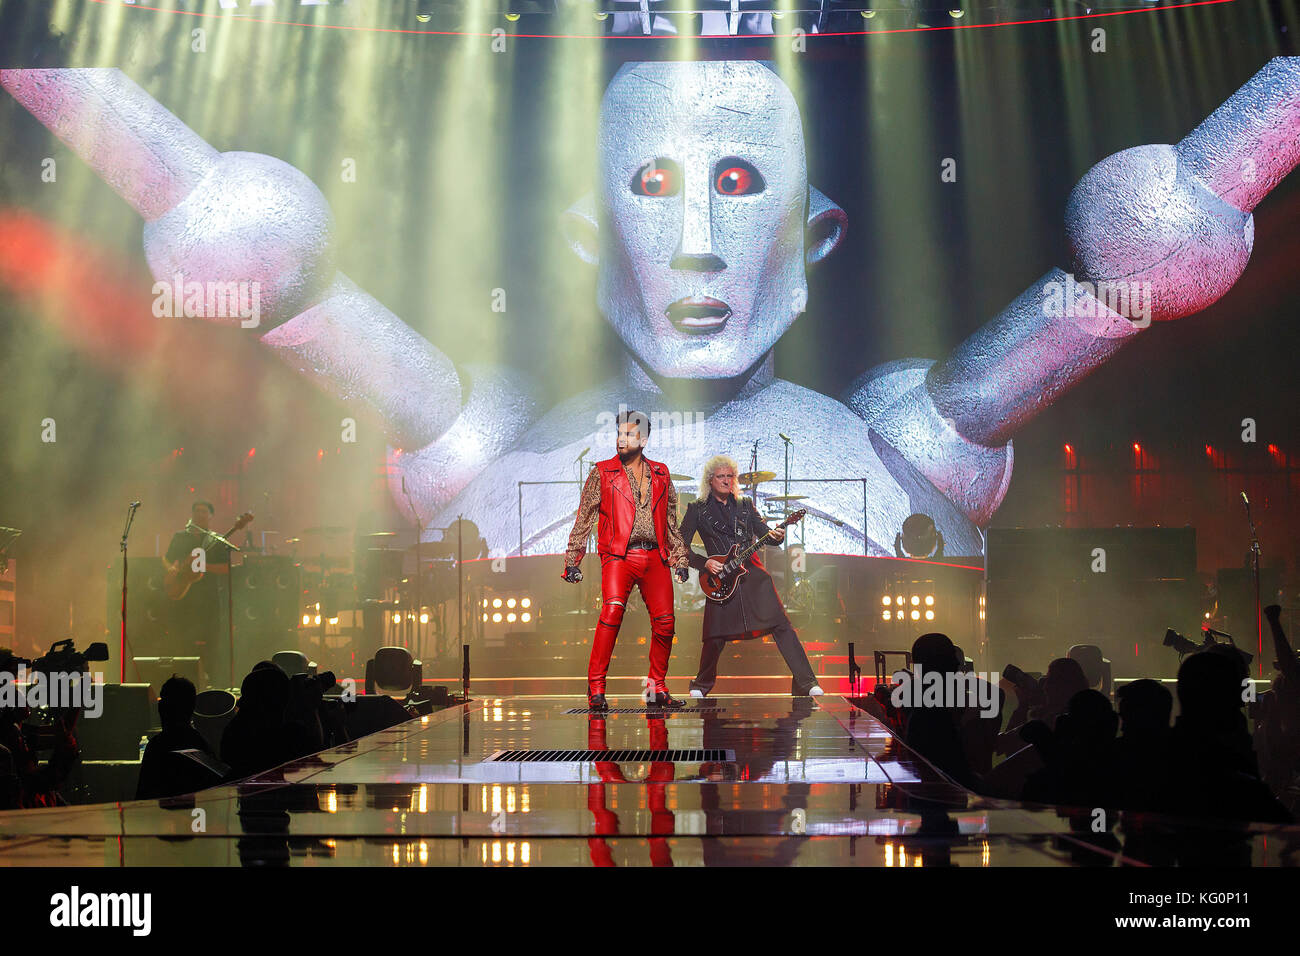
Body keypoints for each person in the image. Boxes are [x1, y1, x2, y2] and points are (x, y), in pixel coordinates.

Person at [562, 409, 690, 710]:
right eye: (619, 433)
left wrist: (681, 558)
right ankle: (596, 688)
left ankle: (656, 688)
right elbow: (584, 517)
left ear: (643, 440)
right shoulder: (603, 472)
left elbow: (671, 521)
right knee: (612, 611)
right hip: (619, 555)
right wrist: (573, 559)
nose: (621, 439)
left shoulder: (661, 473)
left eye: (629, 434)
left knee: (666, 622)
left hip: (655, 556)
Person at [677, 455, 822, 698]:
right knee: (715, 635)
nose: (726, 481)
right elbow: (680, 544)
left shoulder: (745, 505)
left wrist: (776, 535)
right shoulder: (697, 509)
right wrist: (704, 563)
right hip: (720, 577)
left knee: (781, 625)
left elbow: (765, 533)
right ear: (710, 480)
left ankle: (806, 682)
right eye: (721, 476)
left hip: (752, 574)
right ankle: (701, 685)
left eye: (730, 476)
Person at [164, 500, 241, 689]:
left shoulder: (216, 540)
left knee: (211, 641)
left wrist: (203, 566)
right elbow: (167, 559)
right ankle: (181, 681)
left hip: (209, 598)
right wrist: (173, 569)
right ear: (192, 514)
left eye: (204, 511)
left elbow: (226, 568)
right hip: (184, 596)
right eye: (197, 511)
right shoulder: (180, 537)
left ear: (211, 516)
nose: (200, 514)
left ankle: (212, 683)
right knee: (183, 640)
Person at [135, 675, 223, 800]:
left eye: (163, 701)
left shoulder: (157, 746)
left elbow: (143, 796)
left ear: (163, 708)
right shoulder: (200, 745)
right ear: (192, 708)